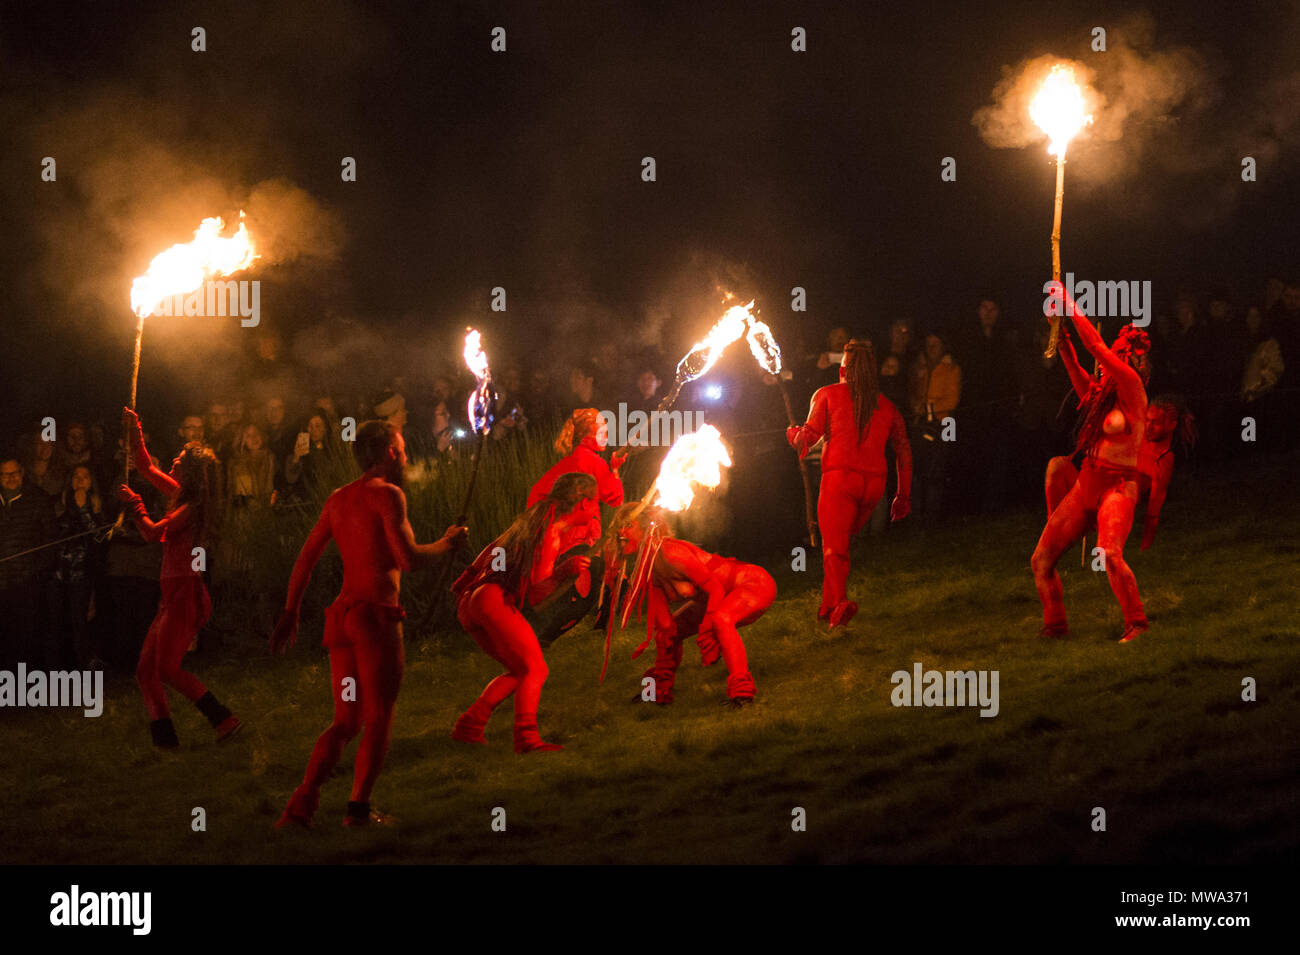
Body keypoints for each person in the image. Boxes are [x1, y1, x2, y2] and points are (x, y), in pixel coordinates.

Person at [272, 421, 468, 828]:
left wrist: (290, 612)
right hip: (375, 618)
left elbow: (305, 559)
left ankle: (300, 805)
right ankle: (358, 811)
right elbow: (408, 559)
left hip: (342, 618)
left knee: (346, 721)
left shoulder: (338, 499)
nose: (408, 456)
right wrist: (448, 543)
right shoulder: (388, 495)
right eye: (402, 448)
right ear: (390, 454)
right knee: (378, 717)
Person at [1031, 285, 1152, 643]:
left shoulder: (1131, 387)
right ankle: (1055, 626)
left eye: (1112, 357)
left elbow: (1095, 347)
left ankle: (1137, 623)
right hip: (1087, 484)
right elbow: (1077, 369)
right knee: (1041, 561)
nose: (1103, 363)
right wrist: (1061, 334)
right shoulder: (1102, 396)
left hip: (1118, 488)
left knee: (1111, 555)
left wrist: (1067, 302)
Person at [116, 408, 241, 747]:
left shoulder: (190, 508)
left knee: (168, 670)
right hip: (172, 596)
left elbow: (154, 534)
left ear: (189, 471)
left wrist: (136, 505)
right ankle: (165, 740)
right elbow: (144, 466)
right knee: (146, 672)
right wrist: (134, 428)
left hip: (185, 593)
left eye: (180, 457)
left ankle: (224, 719)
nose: (173, 458)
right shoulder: (179, 494)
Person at [450, 472, 600, 752]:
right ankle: (527, 739)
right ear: (581, 504)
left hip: (472, 601)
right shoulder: (550, 532)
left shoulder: (534, 518)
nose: (596, 511)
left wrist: (467, 578)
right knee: (535, 668)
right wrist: (562, 573)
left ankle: (470, 726)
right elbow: (536, 594)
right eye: (595, 504)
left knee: (520, 669)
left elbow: (491, 548)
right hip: (493, 599)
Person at [787, 340, 911, 627]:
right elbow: (903, 450)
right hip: (874, 485)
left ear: (843, 368)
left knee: (833, 547)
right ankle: (827, 603)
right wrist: (902, 495)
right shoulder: (887, 406)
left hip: (840, 479)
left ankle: (841, 603)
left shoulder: (827, 394)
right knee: (842, 544)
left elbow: (807, 437)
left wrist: (792, 433)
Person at [602, 504, 776, 705]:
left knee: (721, 619)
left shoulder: (670, 552)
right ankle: (656, 692)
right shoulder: (647, 569)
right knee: (666, 633)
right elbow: (665, 624)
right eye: (619, 528)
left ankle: (742, 693)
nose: (621, 533)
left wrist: (707, 630)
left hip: (753, 583)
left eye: (627, 526)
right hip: (717, 598)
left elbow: (716, 589)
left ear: (646, 527)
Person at [527, 408, 626, 523]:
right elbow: (616, 498)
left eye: (606, 433)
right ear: (583, 434)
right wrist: (614, 469)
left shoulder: (568, 459)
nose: (606, 438)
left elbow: (537, 494)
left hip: (550, 527)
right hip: (575, 532)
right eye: (601, 433)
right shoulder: (593, 461)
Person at [0, 458, 53, 669]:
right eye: (5, 474)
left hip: (26, 582)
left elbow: (50, 541)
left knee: (25, 634)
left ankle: (26, 684)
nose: (11, 478)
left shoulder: (37, 500)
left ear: (22, 472)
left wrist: (34, 571)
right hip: (1, 581)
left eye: (15, 473)